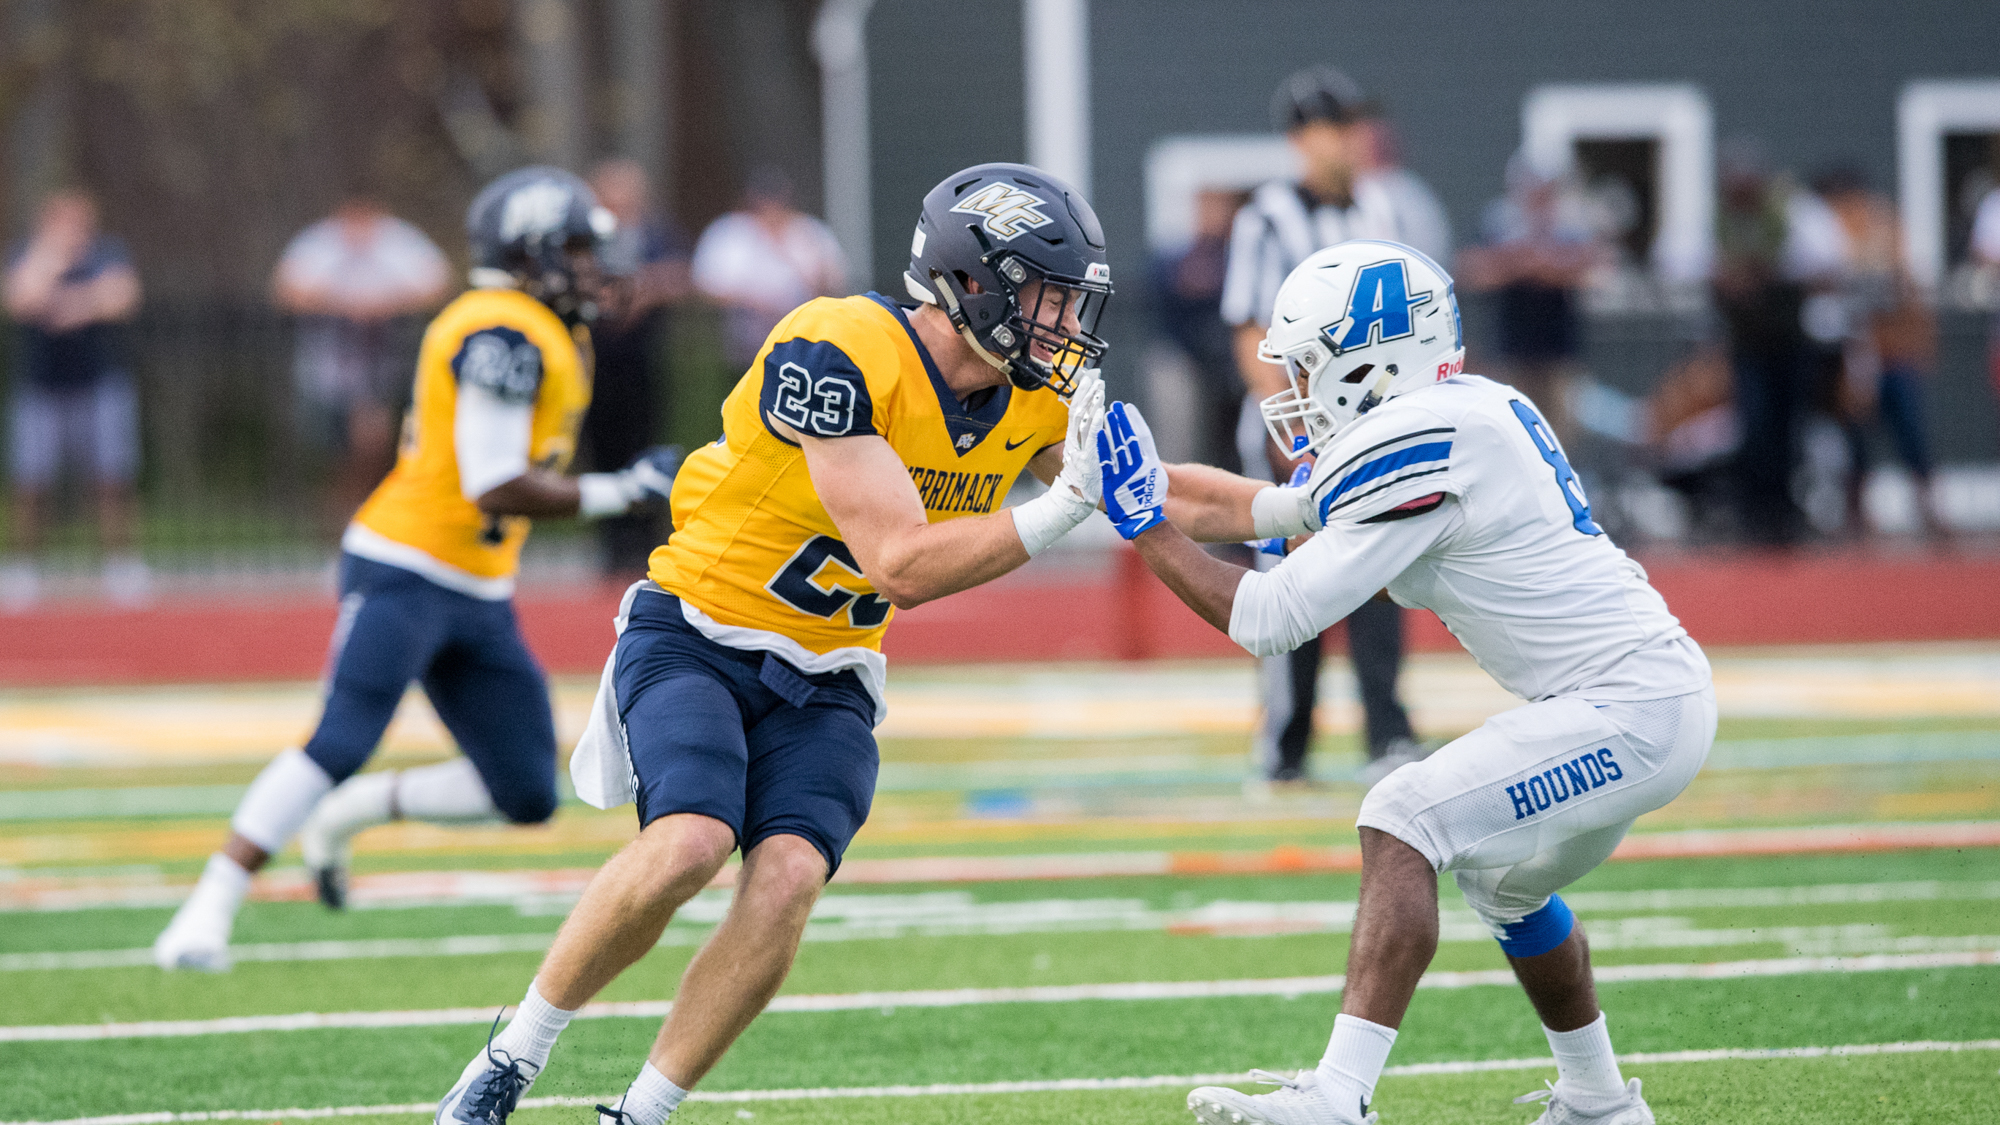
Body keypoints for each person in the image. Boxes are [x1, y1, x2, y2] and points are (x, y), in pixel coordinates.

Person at [430, 162, 1113, 1125]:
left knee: (788, 875)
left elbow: (1154, 487)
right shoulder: (836, 346)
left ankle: (641, 1111)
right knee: (690, 841)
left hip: (830, 670)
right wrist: (1064, 507)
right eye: (1049, 296)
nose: (1066, 323)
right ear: (972, 281)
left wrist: (1286, 514)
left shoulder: (1033, 395)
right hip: (701, 630)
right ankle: (514, 1053)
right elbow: (901, 566)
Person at [1093, 239, 1712, 1125]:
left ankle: (1338, 1095)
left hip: (1629, 707)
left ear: (1374, 361)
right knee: (1507, 886)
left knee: (1403, 813)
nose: (1294, 386)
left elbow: (1270, 616)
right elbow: (1261, 509)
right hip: (1638, 699)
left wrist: (1146, 530)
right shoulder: (1460, 413)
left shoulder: (1424, 436)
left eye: (1310, 363)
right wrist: (1110, 483)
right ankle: (1600, 1103)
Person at [152, 168, 682, 970]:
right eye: (575, 248)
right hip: (405, 565)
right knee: (341, 737)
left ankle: (354, 811)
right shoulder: (501, 331)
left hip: (478, 584)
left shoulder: (544, 328)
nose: (591, 266)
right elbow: (492, 480)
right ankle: (207, 907)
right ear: (531, 254)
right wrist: (627, 489)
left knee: (525, 788)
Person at [1221, 65, 1426, 786]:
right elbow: (1250, 331)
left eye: (1353, 123)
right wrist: (1300, 428)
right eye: (1335, 126)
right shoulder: (1267, 216)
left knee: (1382, 574)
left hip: (1373, 422)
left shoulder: (1381, 206)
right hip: (1297, 428)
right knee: (1292, 581)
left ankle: (1388, 733)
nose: (1351, 139)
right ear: (1301, 138)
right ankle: (1285, 745)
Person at [2, 189, 146, 608]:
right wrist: (50, 261)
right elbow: (21, 300)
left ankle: (121, 564)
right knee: (31, 481)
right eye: (64, 222)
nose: (74, 231)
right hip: (40, 387)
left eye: (80, 222)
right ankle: (24, 566)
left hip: (100, 384)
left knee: (112, 477)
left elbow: (124, 297)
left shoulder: (107, 253)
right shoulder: (25, 255)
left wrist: (75, 304)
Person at [273, 194, 452, 530]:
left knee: (380, 448)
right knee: (340, 455)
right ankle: (344, 527)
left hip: (387, 368)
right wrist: (342, 304)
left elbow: (437, 286)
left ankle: (377, 523)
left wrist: (385, 304)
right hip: (330, 373)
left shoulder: (400, 242)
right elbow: (287, 291)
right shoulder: (318, 244)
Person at [1710, 142, 1847, 546]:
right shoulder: (1722, 220)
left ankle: (1785, 513)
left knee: (1788, 429)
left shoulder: (1794, 213)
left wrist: (1770, 277)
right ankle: (1755, 513)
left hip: (1791, 341)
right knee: (1754, 427)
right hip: (1747, 343)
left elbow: (1829, 266)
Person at [1813, 167, 1945, 538]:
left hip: (1890, 351)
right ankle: (1858, 515)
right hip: (1855, 353)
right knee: (1856, 440)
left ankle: (1925, 510)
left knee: (1907, 434)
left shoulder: (1877, 224)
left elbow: (1890, 284)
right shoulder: (1833, 226)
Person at [584, 158, 693, 577]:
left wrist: (643, 291)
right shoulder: (587, 237)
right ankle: (611, 545)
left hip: (643, 359)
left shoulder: (656, 232)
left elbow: (681, 274)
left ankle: (648, 541)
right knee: (602, 447)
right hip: (597, 359)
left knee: (645, 444)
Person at [1457, 152, 1607, 453]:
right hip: (1509, 350)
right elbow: (1470, 271)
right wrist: (1524, 264)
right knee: (1510, 430)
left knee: (1560, 436)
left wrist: (1535, 265)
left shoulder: (1571, 225)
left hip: (1559, 351)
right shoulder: (1499, 222)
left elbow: (1594, 271)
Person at [690, 167, 847, 372]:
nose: (771, 209)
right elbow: (704, 286)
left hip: (804, 340)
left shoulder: (810, 232)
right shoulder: (730, 232)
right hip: (746, 343)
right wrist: (753, 302)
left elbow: (835, 284)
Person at [1151, 188, 1246, 474]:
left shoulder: (1236, 254)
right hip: (1182, 355)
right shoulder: (1176, 254)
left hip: (1227, 363)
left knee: (1229, 436)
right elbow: (1168, 286)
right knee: (1179, 435)